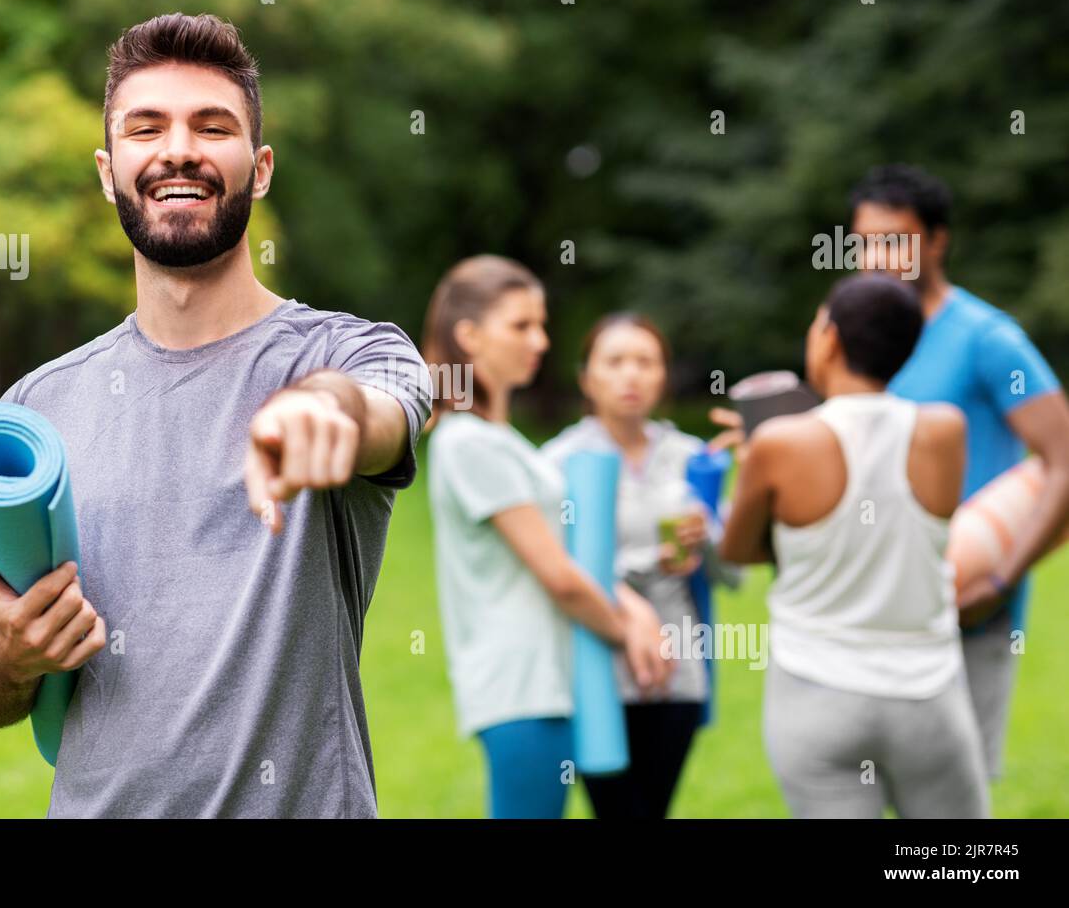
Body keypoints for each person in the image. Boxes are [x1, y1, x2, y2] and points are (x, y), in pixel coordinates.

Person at [0, 13, 433, 818]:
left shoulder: (343, 356)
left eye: (212, 126)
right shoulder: (35, 409)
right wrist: (10, 655)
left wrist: (322, 415)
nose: (178, 150)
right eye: (146, 127)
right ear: (108, 170)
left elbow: (383, 411)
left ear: (260, 168)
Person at [719, 274, 988, 818]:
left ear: (830, 339)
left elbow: (739, 549)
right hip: (927, 694)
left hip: (816, 693)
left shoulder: (780, 443)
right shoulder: (945, 431)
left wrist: (755, 470)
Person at [422, 255, 671, 819]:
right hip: (520, 687)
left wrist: (630, 605)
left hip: (548, 684)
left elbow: (570, 557)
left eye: (541, 324)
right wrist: (626, 630)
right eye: (520, 326)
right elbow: (559, 577)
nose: (540, 340)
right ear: (469, 336)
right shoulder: (468, 443)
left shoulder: (502, 441)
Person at [850, 164, 1069, 781]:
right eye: (865, 241)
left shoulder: (988, 339)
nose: (878, 258)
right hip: (874, 604)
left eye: (895, 239)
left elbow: (1063, 459)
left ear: (936, 241)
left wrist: (998, 580)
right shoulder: (854, 339)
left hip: (967, 607)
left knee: (952, 805)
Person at [541, 312, 723, 818]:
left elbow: (733, 571)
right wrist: (624, 593)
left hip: (677, 668)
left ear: (663, 375)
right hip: (597, 666)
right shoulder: (557, 463)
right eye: (615, 361)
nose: (631, 375)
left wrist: (706, 534)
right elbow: (553, 563)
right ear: (587, 377)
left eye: (645, 362)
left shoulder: (693, 458)